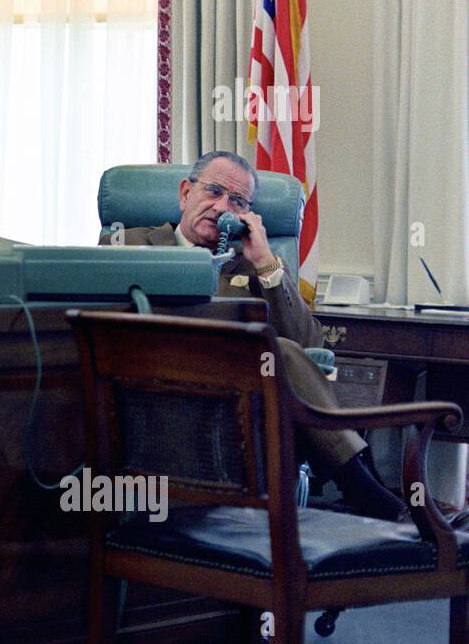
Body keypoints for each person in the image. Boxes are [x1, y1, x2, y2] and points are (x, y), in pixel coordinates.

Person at [103, 150, 436, 523]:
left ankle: (361, 485)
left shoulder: (251, 263)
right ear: (185, 193)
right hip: (152, 387)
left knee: (286, 351)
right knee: (281, 352)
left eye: (237, 201)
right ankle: (361, 484)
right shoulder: (129, 243)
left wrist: (266, 262)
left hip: (237, 402)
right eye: (213, 191)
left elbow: (312, 345)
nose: (221, 207)